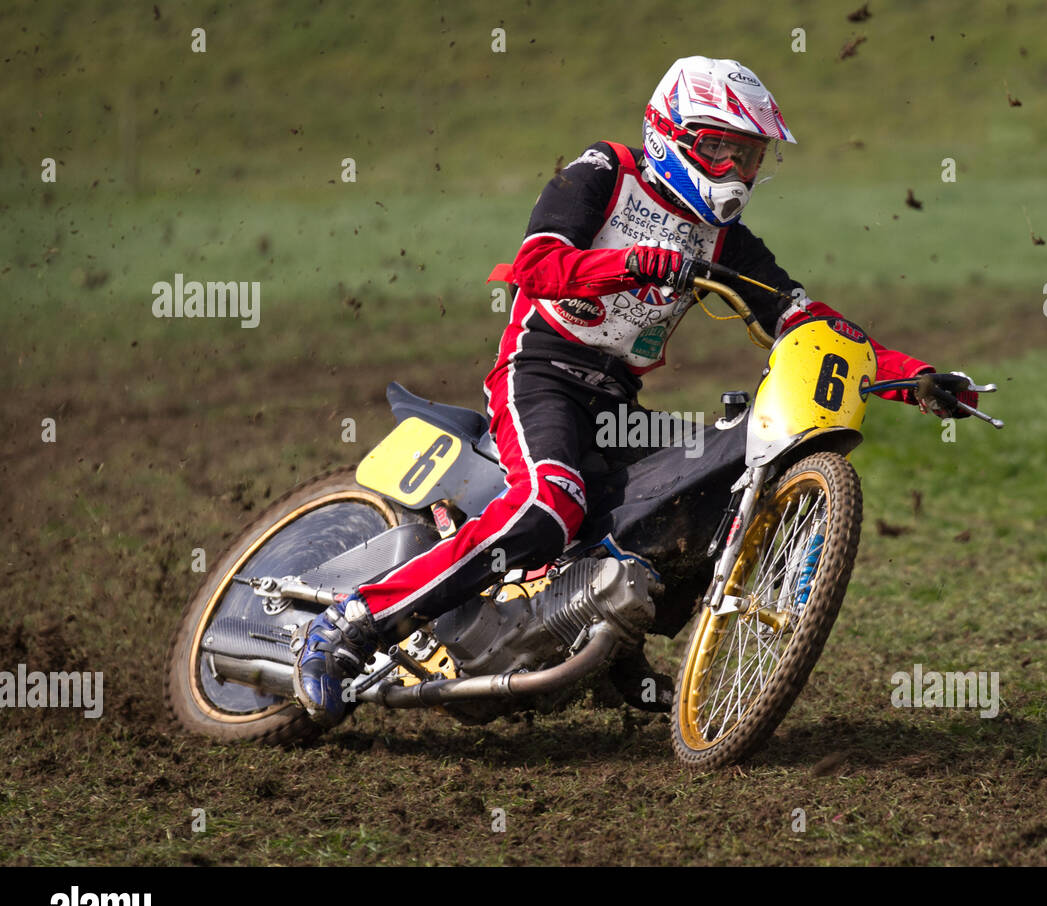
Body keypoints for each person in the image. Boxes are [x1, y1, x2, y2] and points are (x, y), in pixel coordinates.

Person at [294, 55, 977, 727]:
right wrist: (631, 263)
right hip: (542, 371)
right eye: (719, 149)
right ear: (669, 133)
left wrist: (913, 378)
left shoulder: (726, 242)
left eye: (749, 157)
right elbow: (536, 266)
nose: (736, 172)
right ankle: (352, 622)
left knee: (699, 493)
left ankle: (606, 639)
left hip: (615, 400)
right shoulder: (605, 172)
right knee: (550, 503)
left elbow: (806, 321)